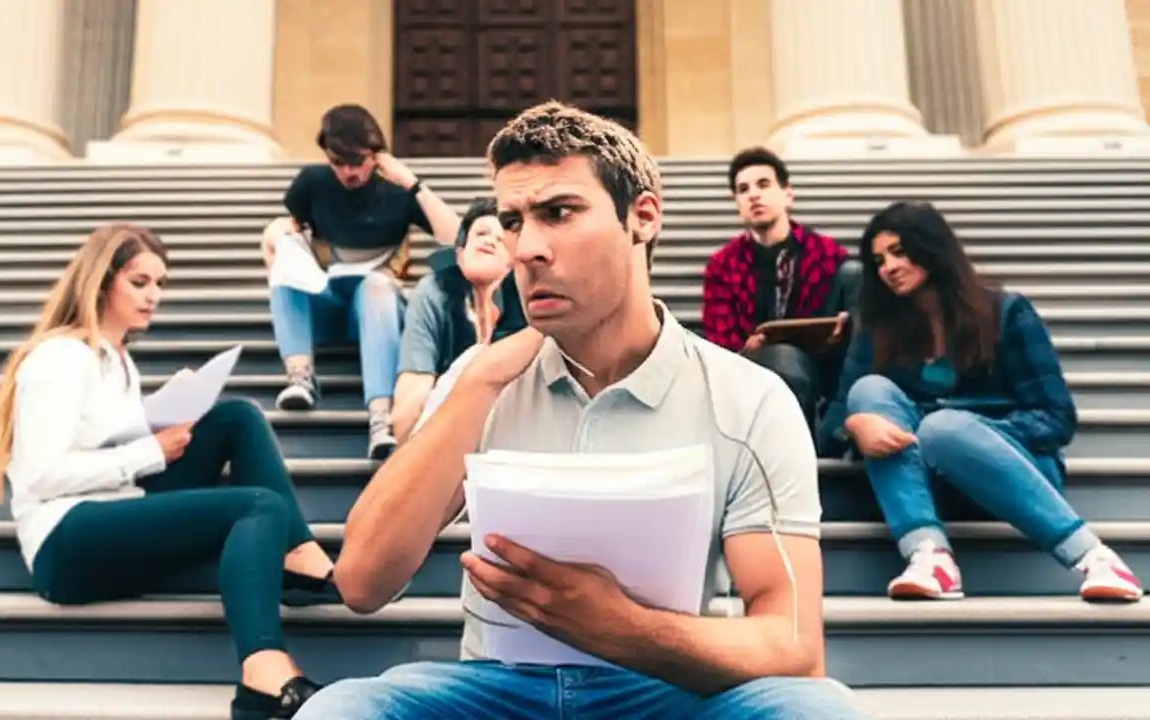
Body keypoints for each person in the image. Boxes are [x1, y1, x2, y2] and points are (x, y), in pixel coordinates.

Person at [301, 102, 866, 719]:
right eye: (512, 221)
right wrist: (479, 380)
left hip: (665, 689)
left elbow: (792, 643)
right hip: (500, 688)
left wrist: (620, 626)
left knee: (817, 710)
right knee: (341, 708)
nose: (527, 248)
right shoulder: (483, 380)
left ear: (642, 217)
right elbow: (360, 580)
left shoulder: (748, 398)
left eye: (559, 212)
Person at [0, 224, 340, 720]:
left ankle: (301, 559)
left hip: (115, 509)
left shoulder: (118, 362)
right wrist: (151, 450)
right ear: (101, 281)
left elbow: (103, 440)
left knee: (237, 417)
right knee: (259, 505)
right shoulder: (62, 356)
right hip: (64, 540)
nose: (153, 296)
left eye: (160, 284)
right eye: (139, 282)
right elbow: (42, 475)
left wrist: (158, 414)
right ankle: (263, 678)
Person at [819, 202, 1143, 603]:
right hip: (921, 483)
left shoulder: (1006, 314)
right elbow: (832, 423)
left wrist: (964, 430)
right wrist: (852, 427)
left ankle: (1095, 558)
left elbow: (1056, 418)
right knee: (868, 392)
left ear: (932, 248)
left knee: (943, 429)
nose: (889, 267)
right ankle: (929, 554)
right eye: (879, 259)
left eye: (900, 251)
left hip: (1010, 468)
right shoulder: (878, 330)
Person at [262, 104, 461, 459]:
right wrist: (278, 236)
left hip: (375, 309)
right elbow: (291, 230)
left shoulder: (396, 192)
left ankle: (381, 418)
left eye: (358, 162)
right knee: (285, 266)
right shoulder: (313, 183)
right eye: (338, 163)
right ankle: (300, 376)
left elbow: (456, 239)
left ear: (377, 155)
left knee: (375, 286)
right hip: (327, 298)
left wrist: (412, 183)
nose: (348, 172)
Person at [702, 147, 860, 428]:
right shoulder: (722, 265)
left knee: (855, 275)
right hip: (753, 370)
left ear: (788, 194)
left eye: (763, 184)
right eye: (743, 189)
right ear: (737, 202)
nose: (753, 195)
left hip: (823, 366)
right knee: (783, 358)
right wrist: (746, 349)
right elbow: (718, 340)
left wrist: (844, 324)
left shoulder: (826, 253)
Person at [392, 196, 527, 442]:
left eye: (501, 238)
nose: (489, 240)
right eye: (481, 233)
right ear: (460, 254)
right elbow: (413, 391)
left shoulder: (528, 305)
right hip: (441, 438)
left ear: (514, 261)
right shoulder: (435, 291)